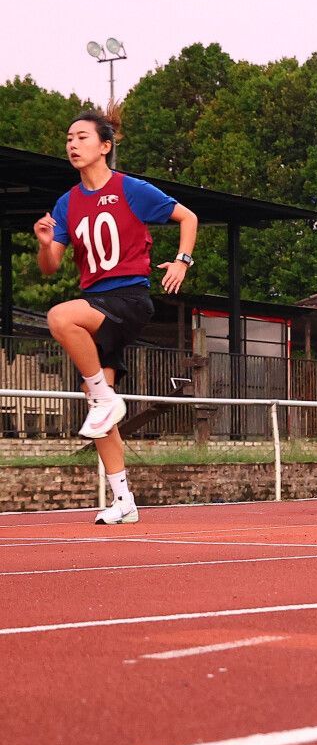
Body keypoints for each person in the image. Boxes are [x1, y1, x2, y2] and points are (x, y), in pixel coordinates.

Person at [33, 110, 198, 524]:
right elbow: (50, 265)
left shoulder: (131, 189)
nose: (72, 144)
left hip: (128, 299)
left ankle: (107, 400)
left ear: (104, 146)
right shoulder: (67, 202)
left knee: (59, 317)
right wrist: (44, 242)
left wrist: (182, 260)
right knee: (100, 415)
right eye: (68, 138)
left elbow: (188, 217)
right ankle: (124, 499)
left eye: (82, 137)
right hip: (97, 304)